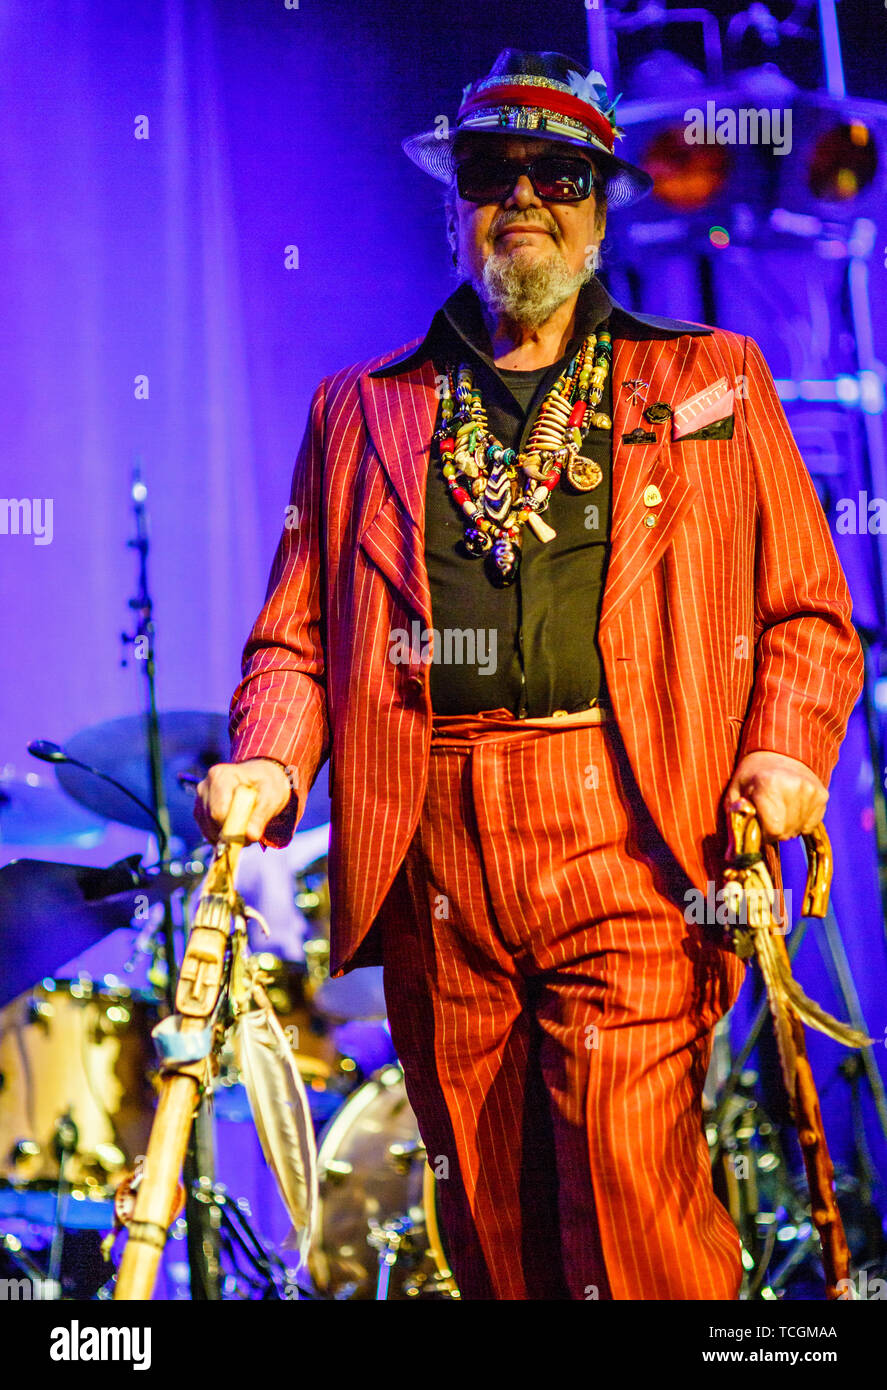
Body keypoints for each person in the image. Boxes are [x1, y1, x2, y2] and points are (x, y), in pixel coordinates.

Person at [196, 49, 863, 1300]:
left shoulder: (706, 381)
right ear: (454, 204)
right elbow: (295, 638)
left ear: (600, 203)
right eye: (491, 173)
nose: (521, 198)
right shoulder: (360, 411)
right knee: (495, 1228)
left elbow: (807, 615)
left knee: (627, 1202)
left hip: (627, 826)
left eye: (555, 174)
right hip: (433, 841)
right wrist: (271, 759)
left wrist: (780, 747)